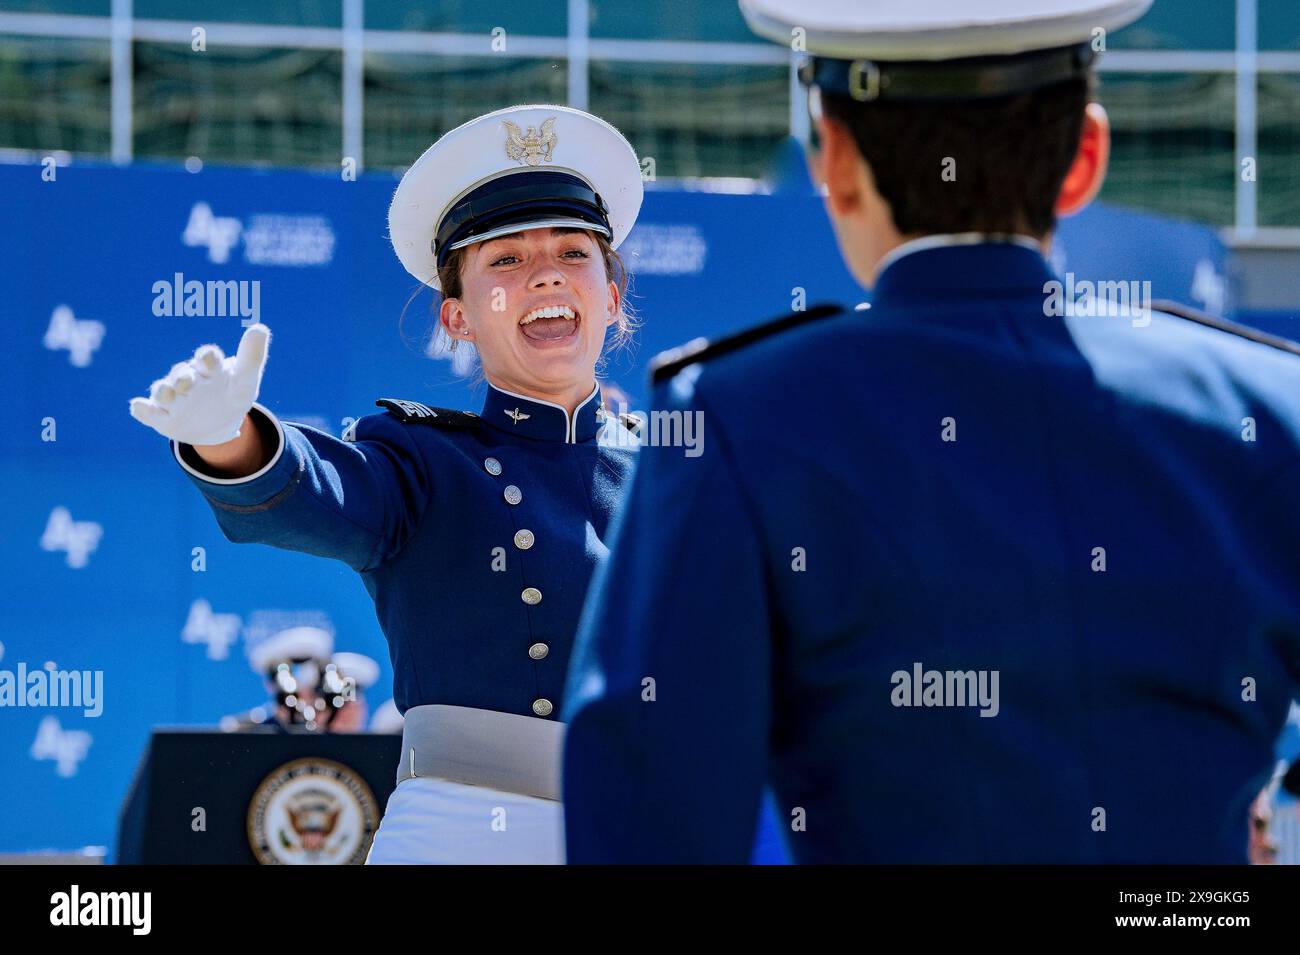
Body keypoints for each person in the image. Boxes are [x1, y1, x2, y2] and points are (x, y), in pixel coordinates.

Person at [561, 0, 1300, 863]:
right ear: (1085, 156)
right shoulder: (1268, 407)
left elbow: (649, 814)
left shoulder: (735, 413)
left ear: (832, 160)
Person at [128, 104, 645, 864]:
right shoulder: (424, 461)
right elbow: (323, 491)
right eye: (503, 260)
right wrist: (228, 437)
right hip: (460, 834)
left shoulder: (679, 473)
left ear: (611, 295)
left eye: (574, 251)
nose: (545, 272)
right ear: (458, 317)